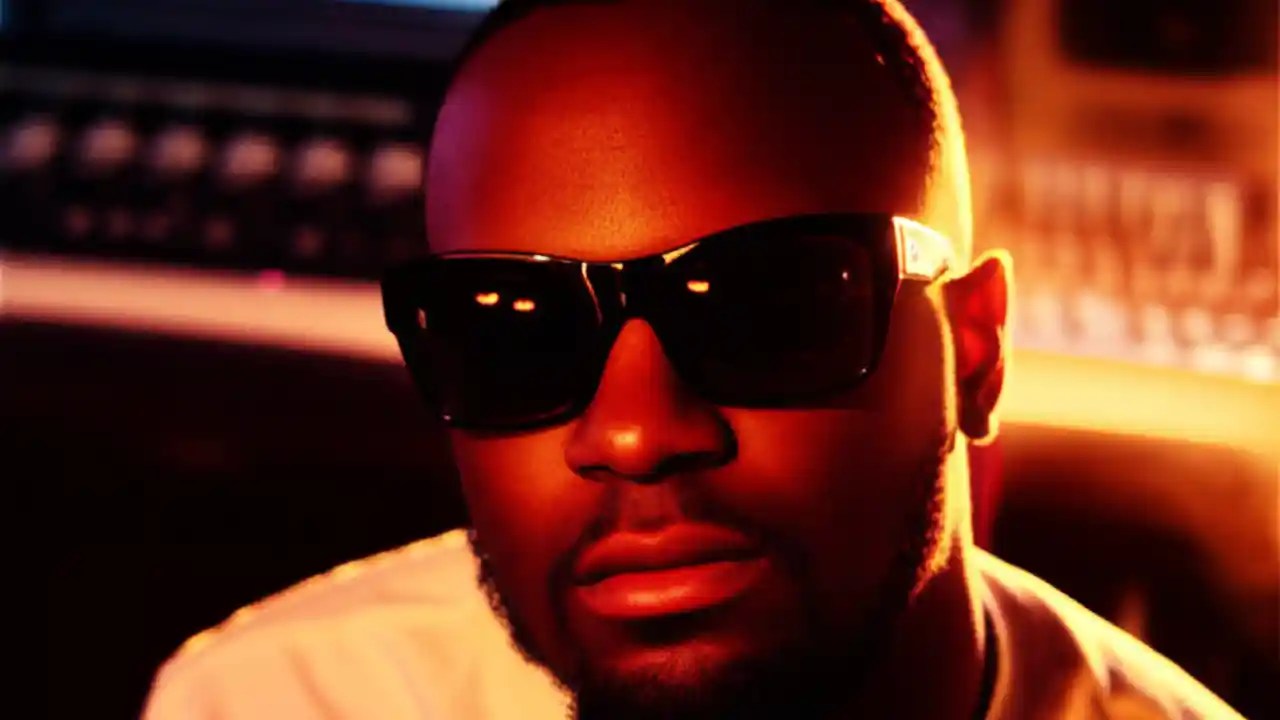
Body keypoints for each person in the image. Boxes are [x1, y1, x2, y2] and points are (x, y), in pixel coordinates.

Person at [143, 1, 1244, 718]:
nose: (632, 432)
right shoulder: (272, 702)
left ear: (972, 350)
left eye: (765, 309)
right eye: (514, 326)